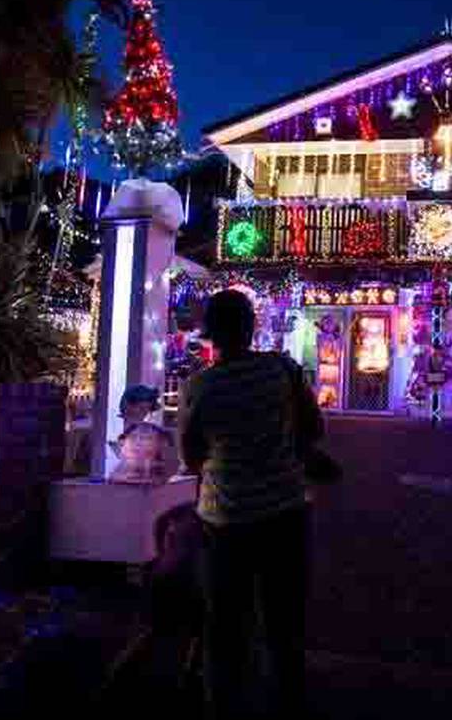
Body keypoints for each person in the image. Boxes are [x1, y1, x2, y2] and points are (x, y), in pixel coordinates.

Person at [179, 290, 322, 719]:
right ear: (251, 327)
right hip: (286, 511)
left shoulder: (200, 386)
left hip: (227, 518)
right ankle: (289, 701)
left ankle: (223, 703)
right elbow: (314, 428)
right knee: (285, 622)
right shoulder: (283, 370)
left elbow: (191, 456)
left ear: (212, 337)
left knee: (225, 624)